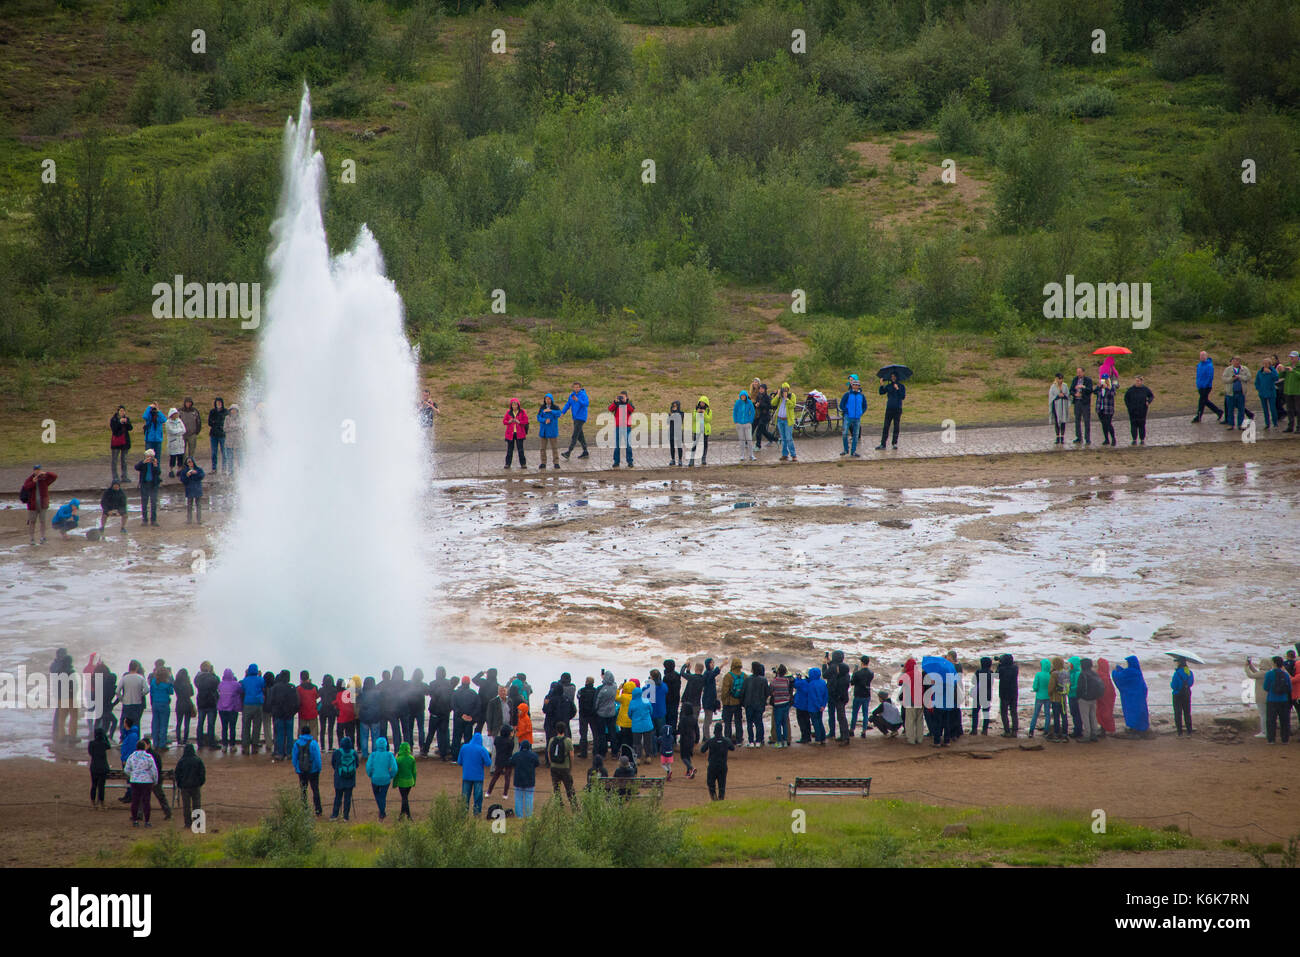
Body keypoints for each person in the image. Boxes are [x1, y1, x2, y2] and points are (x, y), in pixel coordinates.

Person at [1111, 655, 1150, 734]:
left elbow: (1119, 678)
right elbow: (1126, 675)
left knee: (1132, 712)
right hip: (1140, 696)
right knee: (1141, 711)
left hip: (1131, 697)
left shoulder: (1130, 672)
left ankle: (1134, 728)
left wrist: (1114, 671)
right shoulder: (1137, 671)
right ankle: (1142, 727)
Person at [124, 738, 158, 827]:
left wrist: (133, 774)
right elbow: (154, 770)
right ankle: (147, 821)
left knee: (135, 801)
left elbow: (126, 770)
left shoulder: (131, 756)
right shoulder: (148, 757)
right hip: (146, 781)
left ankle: (135, 820)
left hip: (135, 781)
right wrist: (155, 780)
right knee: (146, 801)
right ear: (144, 748)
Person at [457, 731, 492, 816]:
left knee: (465, 796)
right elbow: (488, 763)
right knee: (478, 797)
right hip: (478, 777)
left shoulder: (464, 747)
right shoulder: (482, 749)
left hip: (466, 775)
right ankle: (477, 813)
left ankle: (463, 812)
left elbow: (459, 762)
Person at [21, 466, 57, 545]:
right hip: (32, 506)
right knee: (32, 522)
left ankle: (43, 537)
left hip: (43, 505)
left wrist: (46, 473)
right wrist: (33, 482)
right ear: (33, 471)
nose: (37, 472)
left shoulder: (44, 479)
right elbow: (26, 487)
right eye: (36, 470)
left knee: (43, 522)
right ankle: (32, 539)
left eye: (39, 470)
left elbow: (54, 476)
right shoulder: (29, 479)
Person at [365, 735, 398, 820]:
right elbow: (394, 768)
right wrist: (391, 775)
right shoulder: (389, 755)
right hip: (386, 779)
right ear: (386, 745)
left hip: (375, 779)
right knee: (383, 796)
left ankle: (382, 812)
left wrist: (370, 774)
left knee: (377, 795)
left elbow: (368, 766)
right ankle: (382, 811)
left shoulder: (373, 755)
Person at [269, 669, 299, 761]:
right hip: (289, 715)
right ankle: (289, 753)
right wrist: (293, 712)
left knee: (280, 735)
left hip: (278, 715)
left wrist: (274, 712)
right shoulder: (292, 687)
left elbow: (271, 701)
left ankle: (280, 753)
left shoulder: (275, 688)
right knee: (289, 735)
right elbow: (297, 703)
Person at [174, 742, 205, 828]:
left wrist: (179, 784)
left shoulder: (181, 761)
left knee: (186, 806)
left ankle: (187, 823)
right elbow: (202, 773)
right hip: (195, 786)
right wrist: (200, 783)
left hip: (184, 786)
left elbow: (177, 774)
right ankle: (197, 823)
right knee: (197, 805)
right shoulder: (198, 760)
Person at [701, 722, 734, 801]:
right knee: (722, 784)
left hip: (712, 765)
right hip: (722, 765)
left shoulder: (710, 741)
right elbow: (732, 748)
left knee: (711, 783)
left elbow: (702, 750)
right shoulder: (726, 740)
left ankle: (714, 797)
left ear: (714, 731)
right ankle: (721, 798)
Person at [824, 651, 851, 745]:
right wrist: (830, 663)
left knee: (841, 717)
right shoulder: (845, 675)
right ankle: (843, 736)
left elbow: (825, 675)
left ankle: (845, 738)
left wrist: (825, 665)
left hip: (837, 697)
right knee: (841, 717)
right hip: (841, 697)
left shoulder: (839, 678)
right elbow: (835, 669)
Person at [424, 666, 452, 759]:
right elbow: (451, 695)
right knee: (443, 733)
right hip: (445, 712)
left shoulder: (432, 683)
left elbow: (431, 694)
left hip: (435, 712)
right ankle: (443, 753)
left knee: (431, 732)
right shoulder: (449, 683)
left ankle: (425, 750)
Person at [794, 666, 827, 744]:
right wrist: (823, 705)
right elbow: (825, 695)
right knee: (814, 722)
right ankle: (821, 737)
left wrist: (797, 678)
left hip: (806, 706)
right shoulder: (822, 682)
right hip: (814, 706)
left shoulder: (805, 683)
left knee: (804, 722)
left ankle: (808, 738)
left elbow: (795, 684)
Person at [142, 737, 173, 821]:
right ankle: (167, 812)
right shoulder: (154, 754)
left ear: (148, 745)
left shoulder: (150, 755)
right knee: (145, 797)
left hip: (152, 779)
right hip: (152, 779)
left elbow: (157, 768)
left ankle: (168, 812)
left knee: (158, 797)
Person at [508, 740, 540, 818]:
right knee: (529, 798)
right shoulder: (533, 755)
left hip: (518, 780)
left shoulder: (516, 755)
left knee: (518, 798)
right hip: (530, 780)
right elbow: (537, 763)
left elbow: (510, 762)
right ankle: (529, 815)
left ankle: (519, 816)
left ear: (520, 747)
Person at [1264, 657, 1292, 744]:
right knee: (1285, 720)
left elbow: (1265, 687)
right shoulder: (1286, 674)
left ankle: (1271, 739)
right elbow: (1290, 688)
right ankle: (1285, 739)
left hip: (1272, 700)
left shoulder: (1269, 674)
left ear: (1275, 664)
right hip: (1283, 700)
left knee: (1271, 720)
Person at [547, 723, 576, 807]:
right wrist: (571, 765)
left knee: (556, 788)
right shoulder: (568, 741)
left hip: (554, 767)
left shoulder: (552, 740)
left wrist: (551, 763)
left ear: (556, 730)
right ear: (565, 730)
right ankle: (573, 804)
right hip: (564, 767)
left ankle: (559, 804)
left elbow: (549, 753)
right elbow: (571, 755)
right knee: (569, 788)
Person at [559, 382, 590, 459]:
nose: (576, 388)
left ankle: (568, 452)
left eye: (577, 387)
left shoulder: (583, 394)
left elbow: (586, 403)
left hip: (581, 417)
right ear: (573, 388)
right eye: (574, 387)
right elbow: (568, 404)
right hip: (575, 417)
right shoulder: (572, 395)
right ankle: (585, 451)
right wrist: (563, 412)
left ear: (580, 388)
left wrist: (578, 400)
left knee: (575, 435)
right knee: (580, 435)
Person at [451, 675, 481, 757]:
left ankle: (455, 757)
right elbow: (478, 706)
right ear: (469, 683)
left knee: (456, 738)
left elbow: (453, 705)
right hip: (469, 720)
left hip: (458, 719)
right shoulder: (473, 693)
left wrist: (461, 714)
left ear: (461, 682)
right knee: (468, 739)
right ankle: (467, 757)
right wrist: (471, 716)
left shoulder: (456, 693)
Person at [330, 735, 359, 820]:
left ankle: (335, 815)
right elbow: (356, 765)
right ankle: (346, 816)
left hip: (339, 779)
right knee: (347, 798)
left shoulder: (337, 753)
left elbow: (333, 764)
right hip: (350, 779)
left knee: (338, 797)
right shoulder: (354, 753)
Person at [741, 661, 768, 747]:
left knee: (749, 723)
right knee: (759, 722)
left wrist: (743, 703)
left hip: (749, 704)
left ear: (752, 669)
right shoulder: (763, 680)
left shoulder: (747, 679)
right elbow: (767, 692)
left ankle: (751, 741)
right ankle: (759, 740)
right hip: (759, 704)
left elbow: (743, 692)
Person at [239, 663, 265, 754]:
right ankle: (255, 746)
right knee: (257, 726)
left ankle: (245, 747)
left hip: (247, 704)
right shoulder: (261, 680)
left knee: (246, 726)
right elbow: (263, 688)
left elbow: (242, 690)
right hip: (258, 704)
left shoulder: (245, 680)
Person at [839, 374, 866, 457]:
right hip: (848, 417)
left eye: (857, 385)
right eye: (854, 384)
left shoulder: (861, 395)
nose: (855, 386)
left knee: (855, 435)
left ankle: (853, 451)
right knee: (844, 434)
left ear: (859, 386)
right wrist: (846, 411)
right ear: (851, 385)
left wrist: (861, 412)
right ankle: (846, 450)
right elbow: (841, 405)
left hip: (857, 418)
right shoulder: (847, 395)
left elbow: (864, 406)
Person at [719, 658, 746, 744]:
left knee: (728, 722)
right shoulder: (744, 676)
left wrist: (723, 701)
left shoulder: (728, 676)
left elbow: (725, 691)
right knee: (738, 722)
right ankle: (739, 739)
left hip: (728, 703)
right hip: (738, 703)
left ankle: (727, 740)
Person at [877, 372, 905, 450]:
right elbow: (881, 392)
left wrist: (897, 389)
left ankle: (894, 443)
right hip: (889, 408)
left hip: (898, 408)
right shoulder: (889, 386)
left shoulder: (901, 386)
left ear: (897, 377)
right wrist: (881, 384)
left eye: (894, 376)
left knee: (896, 426)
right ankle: (883, 444)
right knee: (886, 426)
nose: (893, 378)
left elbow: (903, 396)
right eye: (892, 376)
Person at [148, 667, 174, 751]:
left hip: (155, 703)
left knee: (155, 724)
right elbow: (171, 692)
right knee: (163, 724)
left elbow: (151, 693)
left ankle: (155, 743)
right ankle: (162, 744)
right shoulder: (167, 683)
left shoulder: (153, 682)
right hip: (164, 704)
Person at [1076, 658, 1103, 742]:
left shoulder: (1082, 674)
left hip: (1084, 699)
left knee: (1085, 717)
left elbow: (1079, 688)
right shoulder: (1095, 674)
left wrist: (1078, 697)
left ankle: (1087, 735)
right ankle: (1094, 734)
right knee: (1093, 716)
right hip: (1094, 698)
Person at [1192, 351, 1222, 423]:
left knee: (1202, 401)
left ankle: (1198, 416)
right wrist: (1198, 384)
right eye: (1201, 356)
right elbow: (1198, 376)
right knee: (1205, 401)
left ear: (1206, 356)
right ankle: (1218, 411)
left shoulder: (1209, 365)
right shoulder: (1199, 365)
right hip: (1200, 386)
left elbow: (1210, 377)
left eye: (1203, 356)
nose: (1202, 357)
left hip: (1206, 387)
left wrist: (1205, 385)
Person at [1124, 376, 1155, 445]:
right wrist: (1129, 407)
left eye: (1138, 381)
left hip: (1142, 410)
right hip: (1133, 411)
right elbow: (1126, 398)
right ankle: (1134, 439)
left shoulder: (1145, 389)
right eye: (1136, 381)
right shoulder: (1131, 390)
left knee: (1142, 425)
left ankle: (1142, 439)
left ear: (1141, 381)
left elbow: (1151, 396)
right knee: (1133, 425)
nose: (1137, 382)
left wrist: (1148, 401)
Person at [134, 449, 162, 527]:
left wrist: (155, 465)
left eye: (151, 457)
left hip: (153, 485)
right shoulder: (143, 463)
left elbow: (158, 472)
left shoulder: (155, 463)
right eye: (148, 456)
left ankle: (153, 520)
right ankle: (144, 520)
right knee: (144, 503)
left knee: (153, 503)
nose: (150, 458)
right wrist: (143, 462)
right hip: (144, 484)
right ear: (145, 456)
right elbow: (136, 467)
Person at [487, 722, 515, 797]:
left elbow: (496, 743)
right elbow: (511, 749)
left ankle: (488, 792)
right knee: (507, 777)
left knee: (495, 776)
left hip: (499, 760)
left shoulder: (497, 739)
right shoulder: (510, 742)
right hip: (508, 760)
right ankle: (505, 794)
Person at [627, 682, 654, 759]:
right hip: (647, 724)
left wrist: (634, 719)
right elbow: (651, 710)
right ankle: (648, 756)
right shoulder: (646, 700)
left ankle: (638, 758)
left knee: (637, 743)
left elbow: (629, 714)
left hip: (637, 726)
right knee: (647, 742)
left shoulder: (632, 702)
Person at [767, 664, 792, 748]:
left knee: (777, 723)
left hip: (778, 704)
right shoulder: (787, 681)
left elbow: (770, 691)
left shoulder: (774, 681)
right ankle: (785, 741)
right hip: (786, 703)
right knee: (784, 723)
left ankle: (778, 741)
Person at [1222, 358, 1251, 430]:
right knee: (1230, 409)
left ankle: (1241, 424)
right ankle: (1231, 424)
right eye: (1234, 361)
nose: (1236, 363)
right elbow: (1224, 379)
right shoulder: (1227, 369)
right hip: (1231, 393)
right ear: (1232, 362)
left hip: (1241, 393)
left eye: (1238, 361)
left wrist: (1240, 377)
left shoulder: (1244, 369)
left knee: (1241, 409)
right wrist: (1232, 378)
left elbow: (1248, 377)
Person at [849, 656, 874, 737]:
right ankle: (863, 732)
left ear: (862, 663)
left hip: (858, 695)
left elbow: (852, 683)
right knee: (865, 714)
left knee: (855, 713)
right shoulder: (871, 673)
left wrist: (853, 674)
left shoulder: (857, 673)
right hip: (867, 695)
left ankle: (852, 730)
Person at [609, 391, 635, 467]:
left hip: (627, 427)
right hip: (618, 427)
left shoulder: (629, 404)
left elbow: (632, 410)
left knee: (628, 445)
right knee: (617, 445)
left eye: (623, 397)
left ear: (627, 397)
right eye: (620, 397)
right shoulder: (617, 404)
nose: (621, 398)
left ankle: (630, 461)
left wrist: (626, 403)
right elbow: (610, 409)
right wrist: (615, 402)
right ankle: (616, 461)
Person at [995, 653, 1019, 737]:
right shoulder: (1015, 668)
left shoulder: (1001, 669)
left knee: (1004, 712)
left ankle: (1007, 731)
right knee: (1014, 712)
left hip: (1004, 693)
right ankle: (1015, 731)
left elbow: (996, 676)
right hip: (1014, 692)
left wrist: (999, 665)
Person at [536, 394, 562, 469]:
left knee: (554, 447)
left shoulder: (555, 407)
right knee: (542, 448)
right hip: (543, 430)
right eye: (546, 399)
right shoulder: (542, 407)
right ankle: (543, 463)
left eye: (549, 399)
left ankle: (556, 463)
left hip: (552, 430)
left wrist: (551, 411)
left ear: (552, 399)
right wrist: (544, 420)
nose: (547, 400)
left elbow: (559, 414)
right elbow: (538, 417)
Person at [576, 675, 599, 759]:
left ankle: (583, 753)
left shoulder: (581, 691)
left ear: (586, 682)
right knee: (595, 734)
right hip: (593, 715)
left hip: (583, 715)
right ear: (593, 683)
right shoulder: (596, 691)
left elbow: (578, 698)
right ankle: (595, 752)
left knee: (583, 734)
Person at [1170, 656, 1195, 735]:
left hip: (1177, 695)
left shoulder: (1177, 673)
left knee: (1178, 713)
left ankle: (1180, 732)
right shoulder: (1189, 672)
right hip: (1187, 693)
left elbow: (1173, 686)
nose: (1176, 663)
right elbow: (1191, 683)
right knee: (1187, 713)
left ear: (1179, 663)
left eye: (1177, 661)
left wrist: (1172, 685)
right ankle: (1189, 731)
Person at [773, 382, 798, 461]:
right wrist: (777, 395)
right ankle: (784, 454)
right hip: (780, 420)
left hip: (788, 421)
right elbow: (773, 403)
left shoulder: (792, 396)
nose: (785, 391)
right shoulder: (779, 398)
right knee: (783, 438)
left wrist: (786, 399)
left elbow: (793, 405)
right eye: (783, 389)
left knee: (789, 438)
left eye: (786, 389)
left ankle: (793, 455)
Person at [1027, 658, 1051, 738]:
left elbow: (1035, 686)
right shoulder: (1050, 675)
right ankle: (1046, 731)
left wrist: (1035, 689)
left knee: (1036, 714)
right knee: (1047, 714)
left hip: (1039, 696)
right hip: (1048, 697)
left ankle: (1031, 731)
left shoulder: (1038, 674)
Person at [971, 656, 995, 735]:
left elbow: (973, 681)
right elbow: (991, 683)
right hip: (987, 694)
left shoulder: (978, 672)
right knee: (986, 713)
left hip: (978, 694)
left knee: (975, 712)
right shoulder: (991, 673)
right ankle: (985, 730)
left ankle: (974, 729)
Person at [393, 740, 416, 820]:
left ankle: (408, 815)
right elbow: (414, 771)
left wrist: (394, 783)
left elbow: (396, 772)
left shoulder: (398, 760)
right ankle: (402, 814)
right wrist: (414, 782)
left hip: (401, 782)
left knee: (404, 798)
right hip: (410, 781)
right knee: (405, 797)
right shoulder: (412, 758)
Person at [88, 728, 111, 809]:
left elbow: (90, 753)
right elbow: (109, 746)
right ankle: (102, 803)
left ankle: (93, 803)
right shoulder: (104, 744)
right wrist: (105, 737)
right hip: (103, 767)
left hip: (94, 767)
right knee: (101, 786)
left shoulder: (91, 743)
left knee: (94, 785)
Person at [1070, 367, 1093, 444]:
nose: (1078, 374)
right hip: (1077, 402)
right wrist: (1075, 394)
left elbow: (1090, 390)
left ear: (1083, 372)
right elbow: (1071, 390)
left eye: (1080, 372)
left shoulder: (1088, 380)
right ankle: (1078, 437)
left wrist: (1083, 388)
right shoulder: (1075, 379)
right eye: (1077, 372)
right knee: (1077, 420)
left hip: (1085, 403)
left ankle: (1087, 438)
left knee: (1086, 421)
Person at [109, 406, 133, 482]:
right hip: (116, 443)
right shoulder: (114, 419)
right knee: (114, 460)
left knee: (124, 460)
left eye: (123, 411)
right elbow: (114, 430)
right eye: (121, 411)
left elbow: (130, 428)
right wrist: (119, 422)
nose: (122, 412)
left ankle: (124, 476)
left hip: (125, 443)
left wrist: (126, 422)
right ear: (118, 411)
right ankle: (115, 477)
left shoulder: (126, 418)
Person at [173, 667, 195, 747]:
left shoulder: (176, 683)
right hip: (187, 703)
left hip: (179, 703)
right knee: (187, 723)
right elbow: (192, 693)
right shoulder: (187, 683)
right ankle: (185, 739)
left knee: (178, 723)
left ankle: (179, 739)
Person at [179, 457, 205, 524]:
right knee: (189, 506)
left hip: (198, 490)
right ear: (187, 463)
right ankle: (189, 520)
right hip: (189, 490)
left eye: (191, 461)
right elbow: (183, 480)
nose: (190, 463)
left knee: (198, 505)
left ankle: (199, 520)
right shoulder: (184, 471)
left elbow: (202, 476)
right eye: (188, 462)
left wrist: (196, 473)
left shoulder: (198, 469)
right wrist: (187, 476)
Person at [687, 396, 711, 467]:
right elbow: (694, 418)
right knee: (694, 444)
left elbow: (708, 420)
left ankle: (703, 458)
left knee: (705, 444)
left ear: (706, 403)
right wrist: (698, 412)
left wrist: (704, 414)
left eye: (703, 403)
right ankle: (692, 460)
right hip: (697, 430)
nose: (702, 404)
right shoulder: (695, 409)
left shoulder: (709, 411)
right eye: (701, 402)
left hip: (705, 430)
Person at [1096, 657, 1117, 737]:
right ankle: (1103, 728)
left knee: (1102, 713)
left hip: (1102, 698)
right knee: (1106, 713)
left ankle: (1103, 730)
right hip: (1108, 697)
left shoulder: (1100, 675)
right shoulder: (1106, 675)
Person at [753, 383, 778, 449]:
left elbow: (770, 406)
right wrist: (755, 404)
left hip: (765, 416)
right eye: (760, 389)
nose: (761, 390)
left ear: (765, 390)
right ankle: (776, 439)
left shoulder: (767, 397)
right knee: (763, 431)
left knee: (759, 431)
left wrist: (761, 404)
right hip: (759, 416)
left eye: (762, 389)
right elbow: (756, 403)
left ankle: (758, 446)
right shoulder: (758, 396)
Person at [1255, 360, 1279, 430]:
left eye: (1266, 363)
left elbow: (1276, 378)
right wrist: (1259, 389)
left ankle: (1275, 423)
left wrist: (1270, 373)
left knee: (1273, 408)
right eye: (1264, 363)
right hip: (1262, 393)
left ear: (1269, 364)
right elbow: (1257, 382)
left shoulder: (1273, 370)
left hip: (1271, 392)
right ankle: (1267, 423)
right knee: (1265, 409)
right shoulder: (1260, 372)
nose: (1265, 365)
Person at [177, 396, 202, 463]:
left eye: (189, 402)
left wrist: (197, 431)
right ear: (184, 403)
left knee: (191, 452)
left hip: (192, 434)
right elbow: (176, 422)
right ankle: (183, 466)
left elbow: (199, 421)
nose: (188, 404)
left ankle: (191, 467)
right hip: (182, 435)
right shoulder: (180, 411)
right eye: (187, 402)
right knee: (182, 452)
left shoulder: (195, 411)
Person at [1095, 377, 1118, 446]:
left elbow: (1112, 394)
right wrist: (1098, 387)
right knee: (1103, 424)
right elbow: (1094, 392)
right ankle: (1106, 439)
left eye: (1105, 380)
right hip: (1100, 408)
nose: (1103, 382)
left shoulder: (1111, 387)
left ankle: (1113, 438)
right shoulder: (1100, 388)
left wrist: (1107, 388)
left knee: (1108, 423)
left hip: (1108, 409)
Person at [208, 397, 228, 473]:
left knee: (224, 452)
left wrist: (216, 423)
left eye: (220, 402)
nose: (218, 404)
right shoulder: (212, 411)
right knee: (214, 453)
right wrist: (217, 423)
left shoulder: (225, 411)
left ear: (222, 403)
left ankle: (224, 468)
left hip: (222, 435)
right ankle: (214, 468)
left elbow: (225, 422)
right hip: (214, 435)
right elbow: (209, 422)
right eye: (217, 402)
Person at [164, 407, 186, 475]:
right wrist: (179, 431)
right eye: (175, 414)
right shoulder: (168, 422)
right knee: (173, 458)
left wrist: (177, 432)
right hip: (173, 442)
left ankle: (179, 470)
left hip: (180, 442)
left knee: (180, 457)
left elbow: (184, 430)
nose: (176, 415)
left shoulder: (179, 420)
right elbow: (171, 431)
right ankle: (171, 470)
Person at [1049, 374, 1070, 444]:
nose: (1060, 380)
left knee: (1063, 421)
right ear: (1056, 379)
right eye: (1059, 379)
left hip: (1063, 405)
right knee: (1057, 421)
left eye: (1061, 379)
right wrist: (1057, 396)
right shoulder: (1053, 386)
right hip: (1056, 406)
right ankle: (1057, 436)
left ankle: (1062, 436)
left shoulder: (1065, 386)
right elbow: (1051, 396)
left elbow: (1068, 395)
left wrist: (1064, 395)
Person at [1282, 352, 1300, 432]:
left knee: (1298, 409)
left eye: (1293, 357)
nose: (1291, 358)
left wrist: (1293, 371)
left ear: (1297, 357)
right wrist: (1282, 371)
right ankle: (1290, 426)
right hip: (1288, 391)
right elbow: (1280, 376)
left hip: (1297, 392)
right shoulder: (1288, 365)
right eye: (1290, 357)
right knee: (1289, 409)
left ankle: (1299, 427)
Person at [666, 400, 685, 467]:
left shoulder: (681, 413)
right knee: (672, 446)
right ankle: (673, 459)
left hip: (678, 432)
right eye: (673, 406)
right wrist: (670, 416)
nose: (674, 407)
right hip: (671, 431)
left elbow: (680, 421)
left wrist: (674, 414)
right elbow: (667, 422)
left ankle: (680, 460)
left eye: (675, 406)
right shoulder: (670, 414)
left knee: (679, 446)